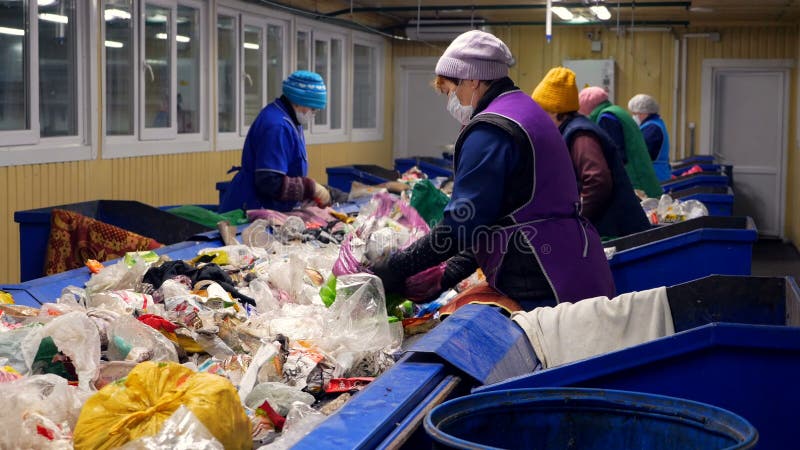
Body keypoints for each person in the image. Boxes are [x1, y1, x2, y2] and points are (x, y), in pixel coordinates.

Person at [371, 30, 615, 312]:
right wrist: (447, 274)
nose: (451, 100)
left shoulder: (492, 129)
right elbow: (492, 217)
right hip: (573, 266)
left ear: (473, 78)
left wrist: (394, 269)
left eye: (451, 90)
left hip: (544, 278)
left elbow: (460, 227)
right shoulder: (525, 109)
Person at [532, 67, 650, 238]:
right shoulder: (571, 131)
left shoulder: (581, 136)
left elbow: (597, 180)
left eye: (542, 112)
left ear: (556, 111)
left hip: (616, 233)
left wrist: (575, 219)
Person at [219, 70, 331, 213]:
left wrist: (308, 193)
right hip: (251, 208)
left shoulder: (291, 121)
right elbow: (269, 181)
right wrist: (310, 188)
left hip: (271, 207)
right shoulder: (277, 125)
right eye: (312, 108)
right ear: (298, 101)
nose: (313, 114)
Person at [578, 87, 663, 199]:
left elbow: (615, 154)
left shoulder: (606, 118)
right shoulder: (616, 111)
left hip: (634, 178)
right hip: (641, 173)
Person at [629, 94, 671, 182]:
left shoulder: (652, 128)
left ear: (645, 112)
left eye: (635, 113)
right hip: (656, 173)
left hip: (655, 175)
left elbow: (642, 154)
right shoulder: (654, 124)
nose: (633, 116)